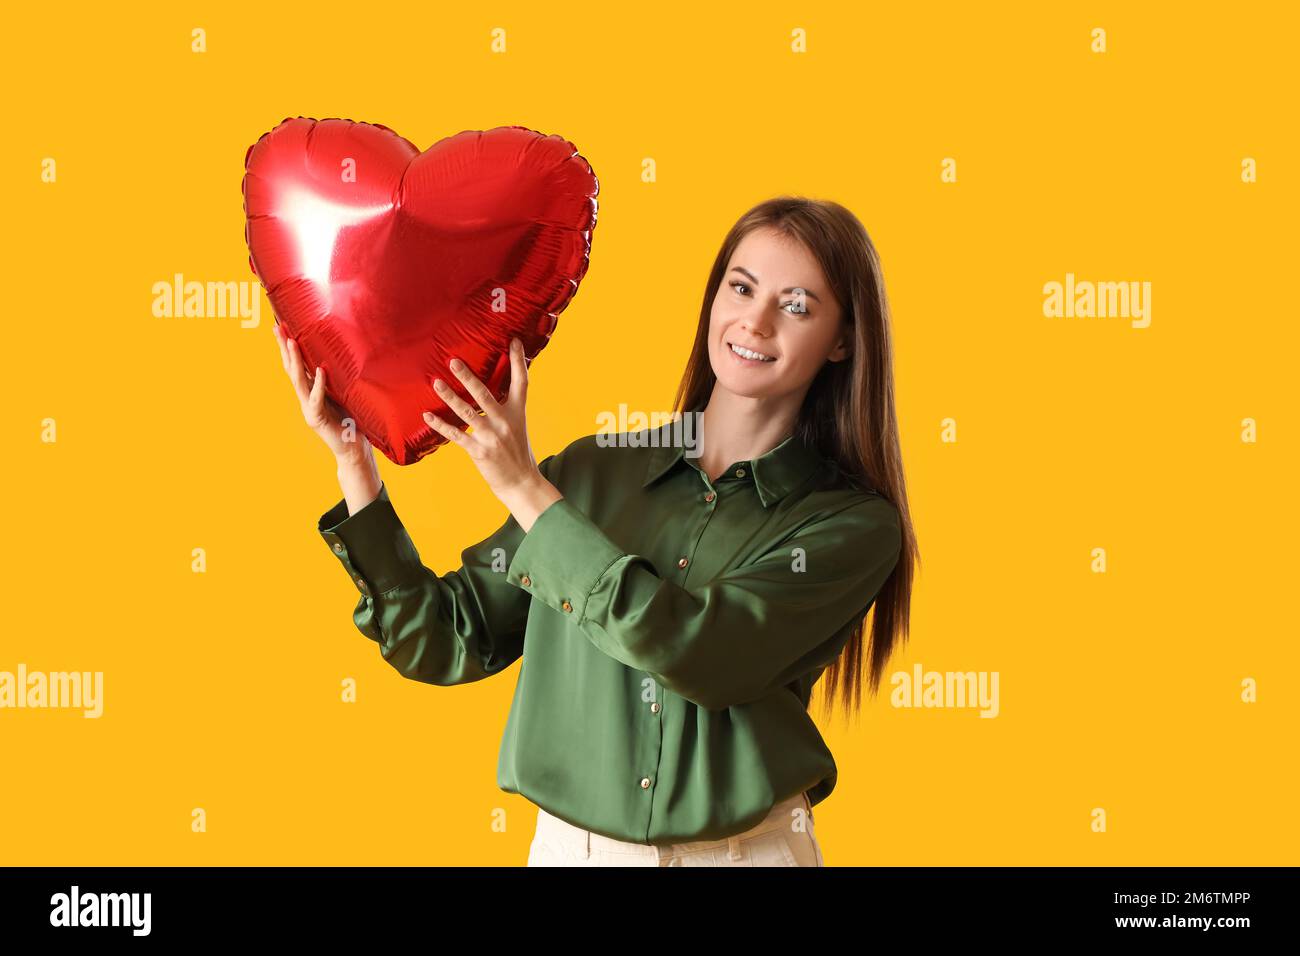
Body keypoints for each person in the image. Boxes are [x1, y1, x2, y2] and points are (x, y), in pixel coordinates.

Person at [274, 196, 917, 866]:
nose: (753, 322)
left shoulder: (850, 527)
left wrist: (525, 488)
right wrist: (354, 461)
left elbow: (699, 653)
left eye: (796, 305)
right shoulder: (585, 473)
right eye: (741, 287)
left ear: (843, 339)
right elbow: (445, 640)